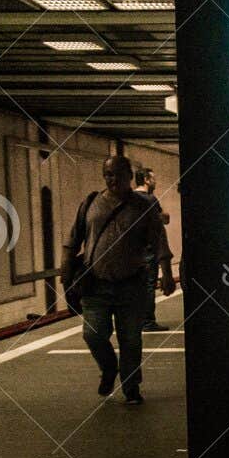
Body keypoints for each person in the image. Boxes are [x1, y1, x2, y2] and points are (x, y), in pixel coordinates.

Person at [61, 155, 168, 406]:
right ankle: (109, 368)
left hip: (132, 284)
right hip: (96, 284)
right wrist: (65, 271)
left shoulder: (143, 207)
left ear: (129, 176)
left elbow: (158, 239)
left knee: (130, 339)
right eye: (108, 174)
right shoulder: (90, 203)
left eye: (118, 174)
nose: (113, 180)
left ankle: (131, 387)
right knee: (93, 334)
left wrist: (165, 272)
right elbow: (73, 239)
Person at [134, 167, 173, 331]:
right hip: (148, 251)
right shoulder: (149, 199)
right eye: (153, 179)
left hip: (133, 252)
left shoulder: (130, 198)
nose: (155, 182)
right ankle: (148, 321)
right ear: (146, 180)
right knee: (149, 285)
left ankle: (136, 319)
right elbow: (164, 219)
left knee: (136, 287)